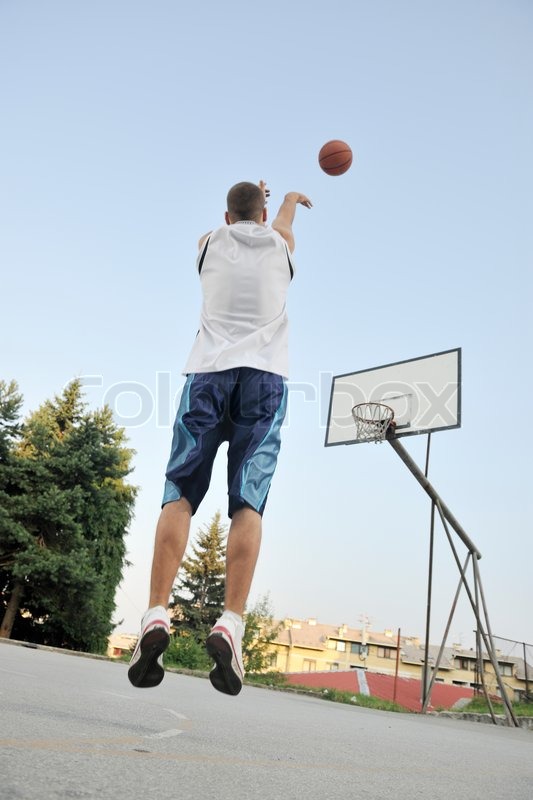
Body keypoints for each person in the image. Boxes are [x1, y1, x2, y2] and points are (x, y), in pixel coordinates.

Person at [128, 180, 312, 695]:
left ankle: (156, 613)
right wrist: (291, 203)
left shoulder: (209, 241)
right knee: (247, 503)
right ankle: (230, 622)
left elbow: (245, 219)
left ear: (228, 217)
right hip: (264, 381)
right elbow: (281, 229)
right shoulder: (280, 245)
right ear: (264, 213)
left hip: (207, 374)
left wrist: (256, 205)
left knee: (180, 494)